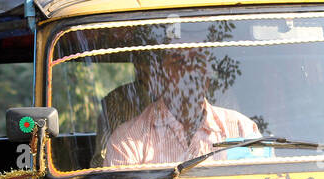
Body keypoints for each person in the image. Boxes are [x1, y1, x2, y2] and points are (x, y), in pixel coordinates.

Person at [103, 47, 259, 167]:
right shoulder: (127, 141)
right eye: (179, 62)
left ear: (208, 77)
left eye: (197, 62)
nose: (189, 71)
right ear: (161, 75)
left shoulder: (243, 130)